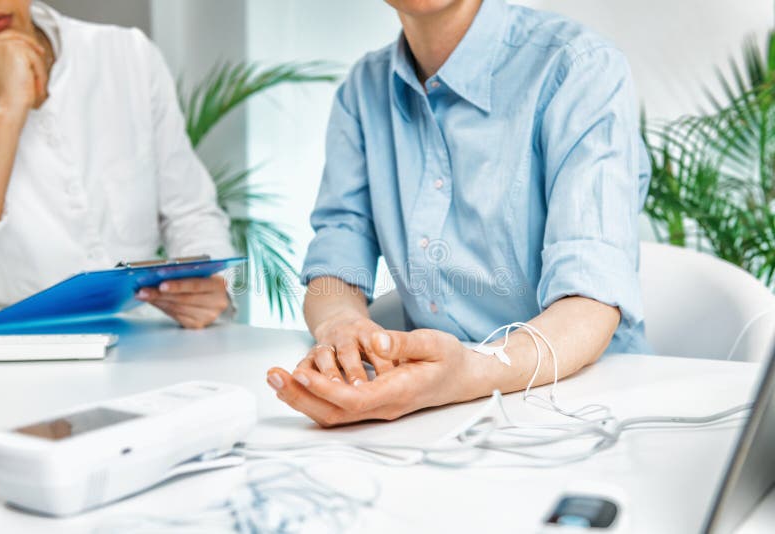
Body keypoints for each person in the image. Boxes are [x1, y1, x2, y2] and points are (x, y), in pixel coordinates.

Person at [267, 0, 652, 426]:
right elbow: (338, 250)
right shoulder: (363, 89)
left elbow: (591, 299)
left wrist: (472, 372)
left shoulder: (580, 67)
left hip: (585, 402)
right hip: (436, 414)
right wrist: (341, 327)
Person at [0, 0, 233, 329]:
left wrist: (210, 288)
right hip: (1, 343)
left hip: (143, 332)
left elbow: (190, 211)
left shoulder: (126, 53)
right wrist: (7, 109)